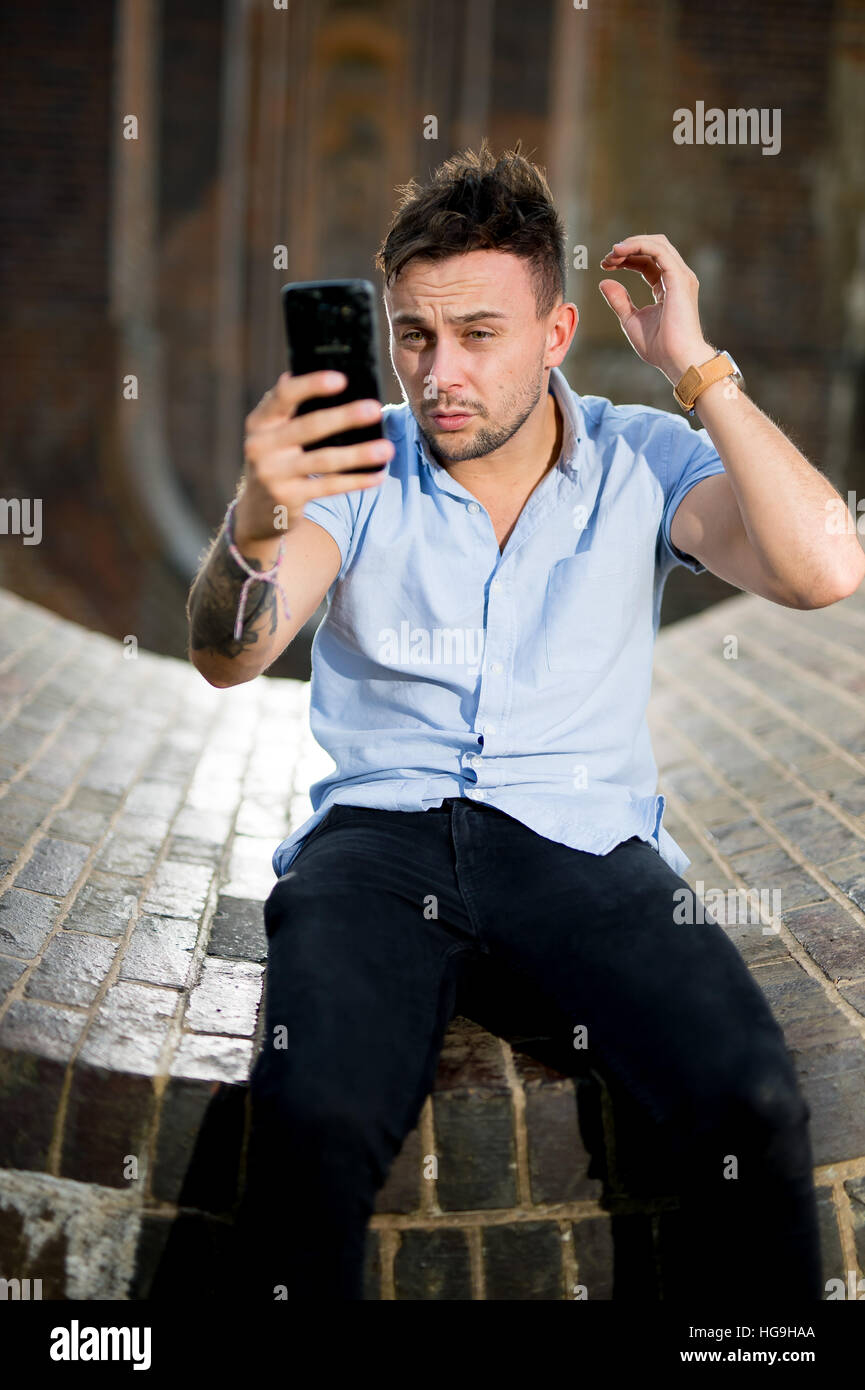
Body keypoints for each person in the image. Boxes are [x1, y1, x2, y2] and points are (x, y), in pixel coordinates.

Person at [186, 140, 864, 1301]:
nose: (438, 372)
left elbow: (824, 569)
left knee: (748, 1091)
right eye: (414, 335)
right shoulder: (358, 471)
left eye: (478, 335)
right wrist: (254, 524)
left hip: (583, 841)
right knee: (313, 1114)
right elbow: (226, 656)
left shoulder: (639, 458)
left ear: (555, 334)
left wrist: (697, 367)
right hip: (380, 845)